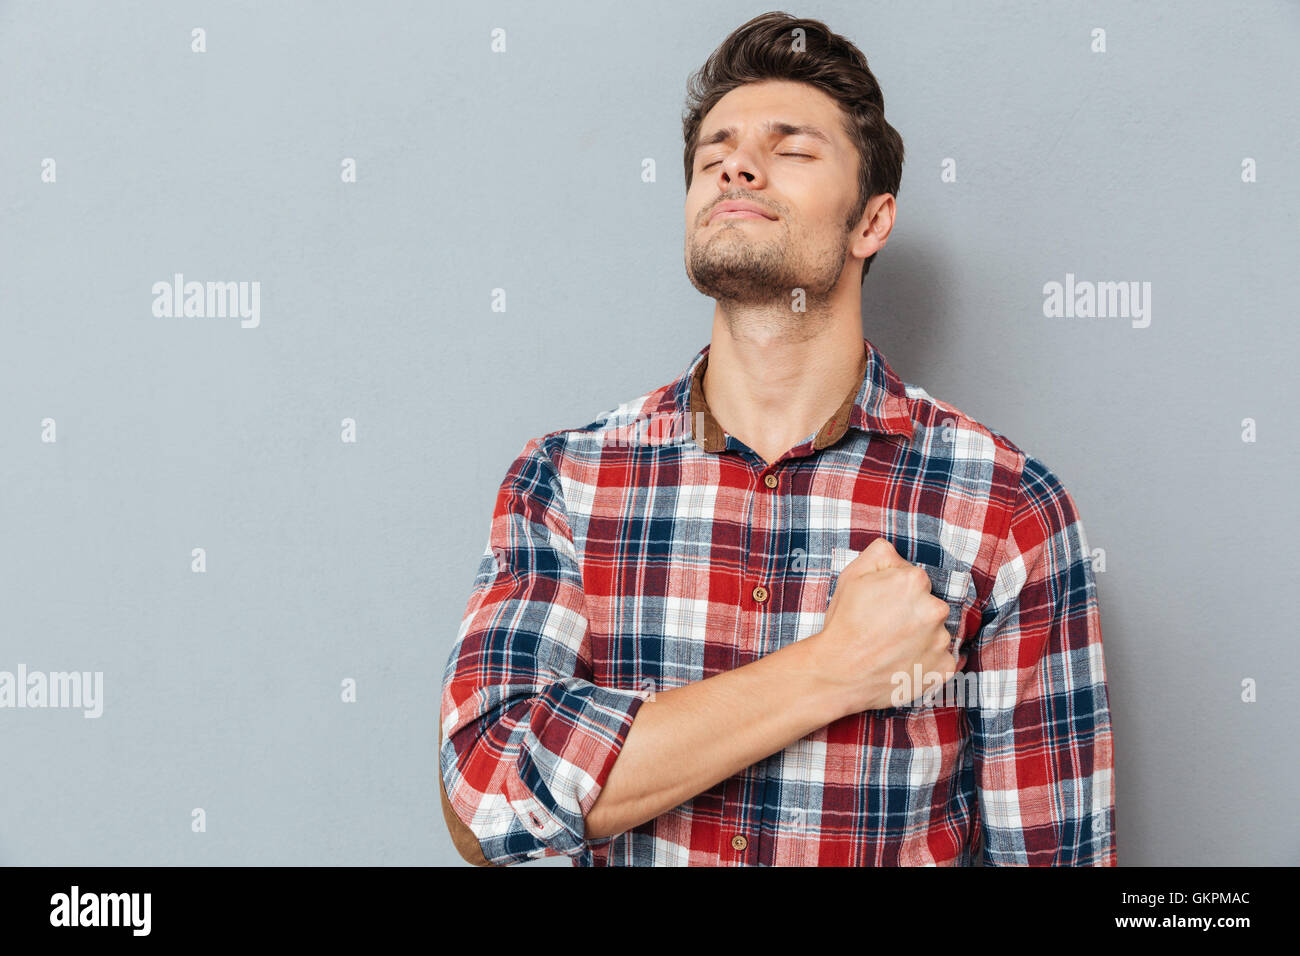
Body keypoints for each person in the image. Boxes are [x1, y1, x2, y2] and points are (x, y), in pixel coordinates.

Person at [438, 11, 1116, 867]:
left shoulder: (1008, 508)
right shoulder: (566, 483)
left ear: (871, 224)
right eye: (713, 152)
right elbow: (487, 801)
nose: (735, 164)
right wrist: (836, 667)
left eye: (791, 149)